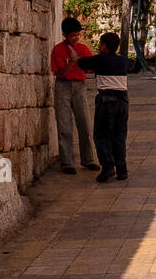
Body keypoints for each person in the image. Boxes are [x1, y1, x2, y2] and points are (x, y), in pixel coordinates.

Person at [81, 32, 132, 183]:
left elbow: (81, 63)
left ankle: (108, 166)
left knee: (102, 136)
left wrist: (73, 54)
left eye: (100, 44)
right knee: (119, 136)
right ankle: (122, 170)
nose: (99, 46)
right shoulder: (123, 60)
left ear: (104, 46)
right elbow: (134, 66)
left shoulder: (99, 60)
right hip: (122, 102)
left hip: (106, 102)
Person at [50, 17, 98, 174]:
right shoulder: (58, 50)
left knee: (84, 122)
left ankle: (88, 159)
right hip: (63, 85)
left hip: (79, 86)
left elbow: (90, 67)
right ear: (65, 35)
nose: (76, 38)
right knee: (64, 124)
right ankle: (67, 162)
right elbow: (60, 72)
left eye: (77, 35)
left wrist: (80, 61)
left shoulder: (83, 49)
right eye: (72, 36)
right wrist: (72, 61)